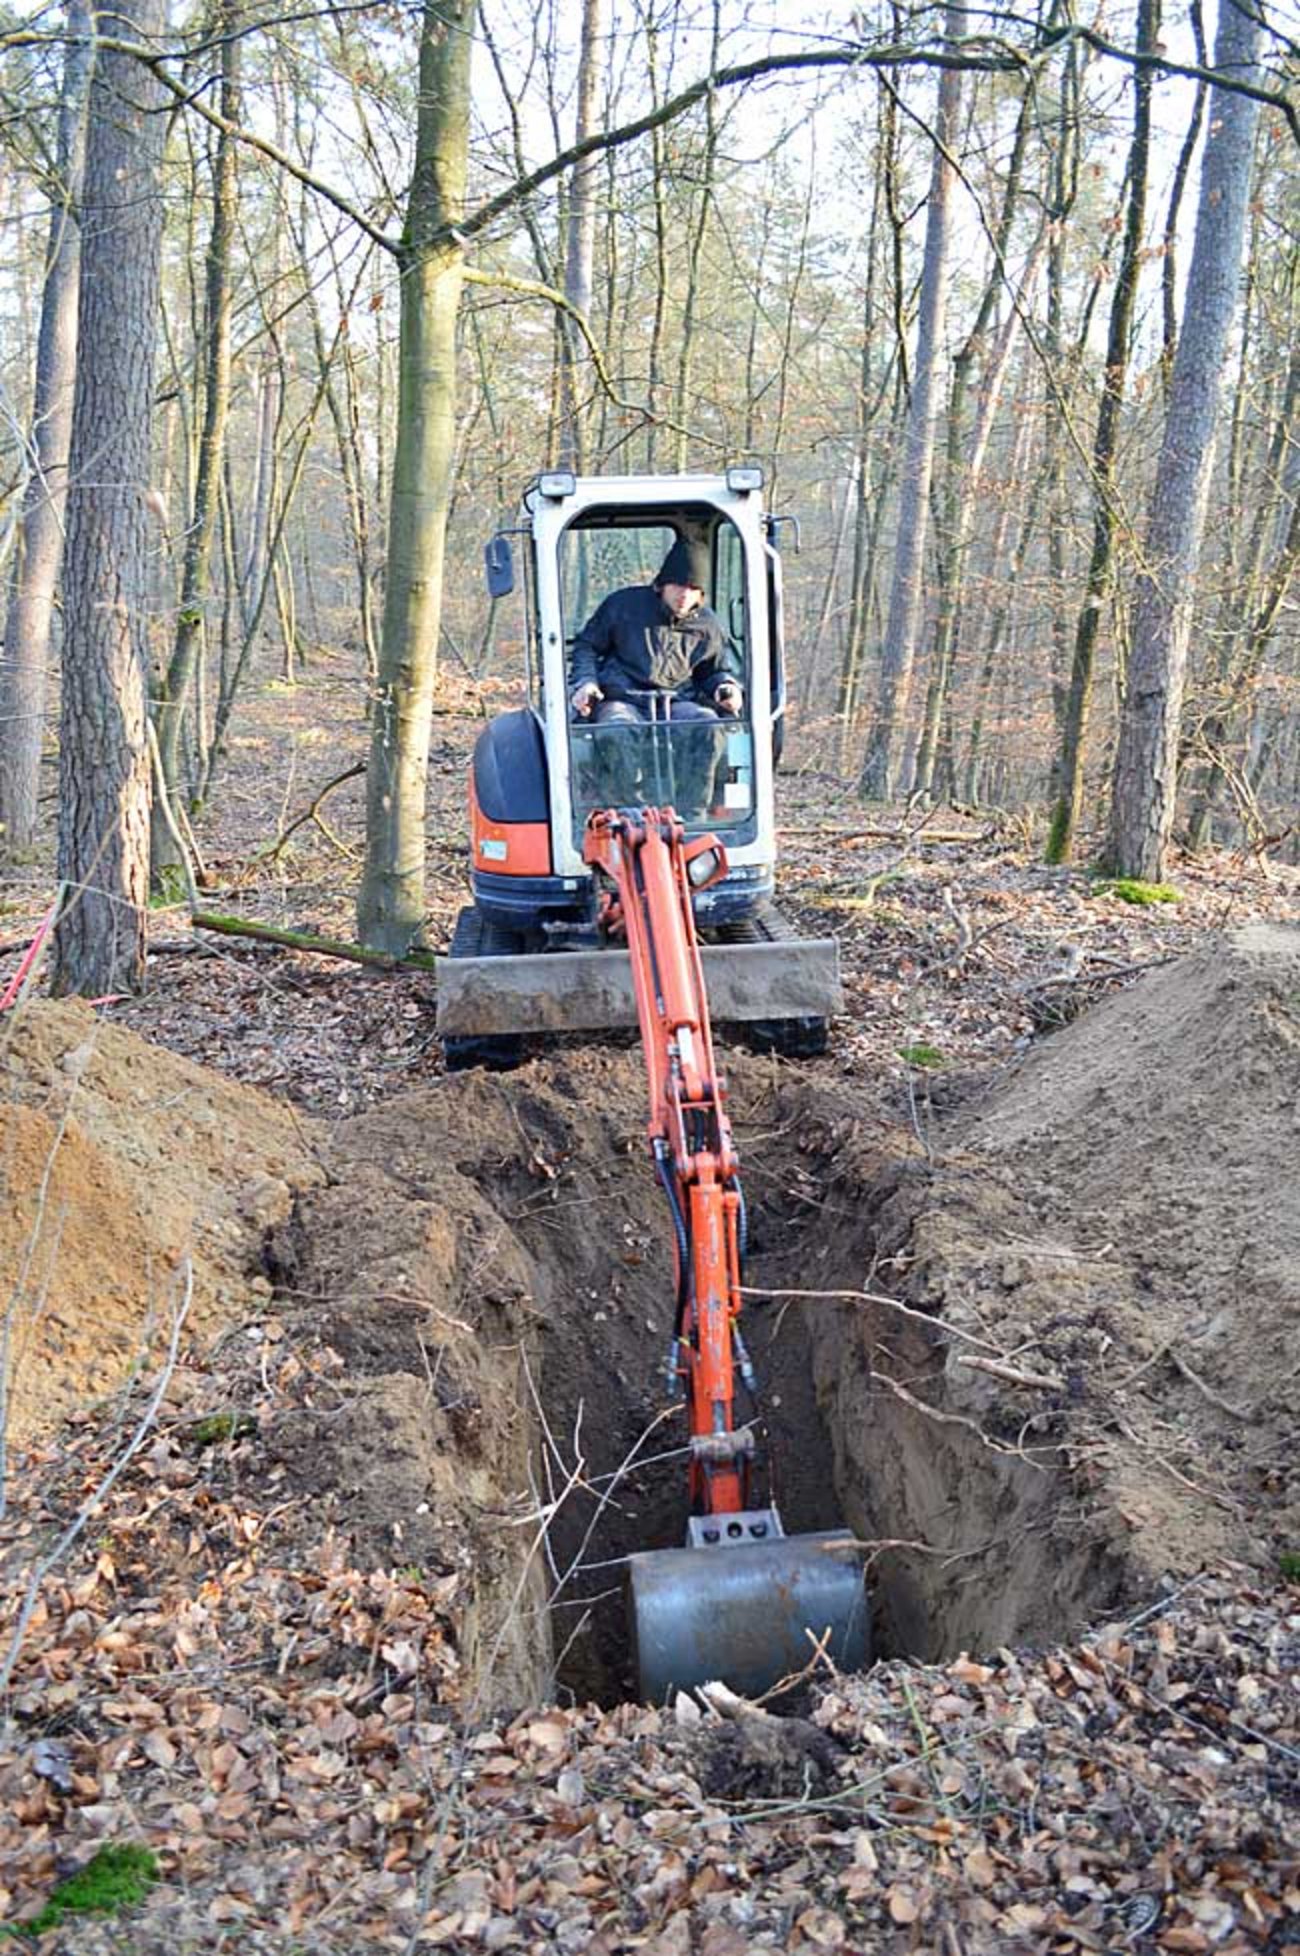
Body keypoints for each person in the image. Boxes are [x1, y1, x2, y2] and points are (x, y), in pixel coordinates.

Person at [569, 537, 744, 725]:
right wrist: (586, 682)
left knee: (706, 725)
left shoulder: (707, 625)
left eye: (693, 588)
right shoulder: (623, 607)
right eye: (678, 585)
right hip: (622, 701)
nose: (684, 594)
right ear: (662, 584)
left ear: (701, 594)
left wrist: (725, 686)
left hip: (678, 702)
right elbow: (587, 647)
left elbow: (712, 671)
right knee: (617, 728)